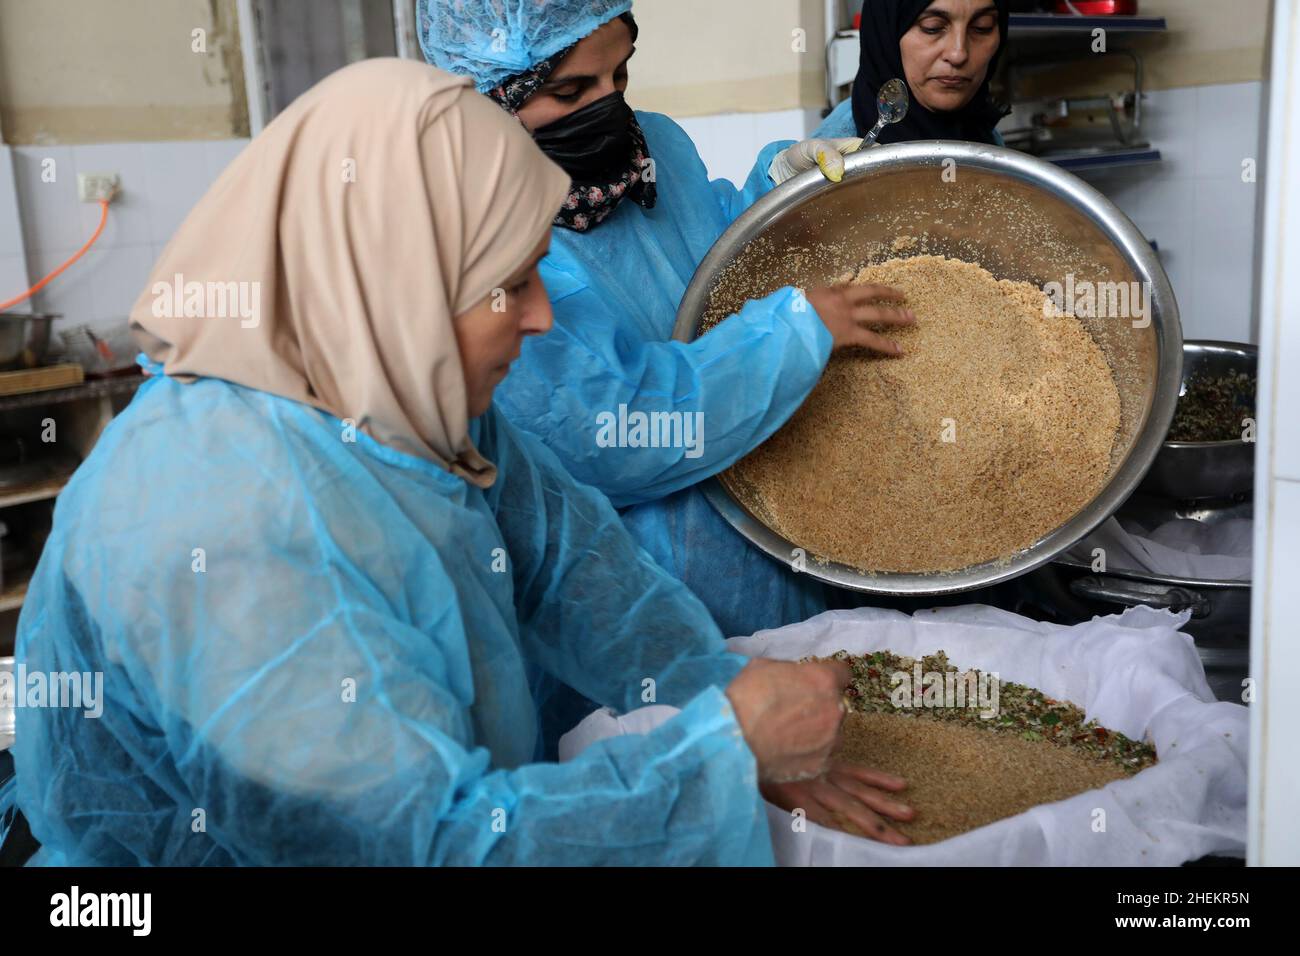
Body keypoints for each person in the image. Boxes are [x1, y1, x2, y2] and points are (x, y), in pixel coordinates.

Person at [0, 60, 913, 866]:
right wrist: (718, 761)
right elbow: (418, 845)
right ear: (397, 285)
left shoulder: (397, 395)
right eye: (508, 286)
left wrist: (724, 694)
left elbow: (568, 567)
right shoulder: (230, 525)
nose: (542, 318)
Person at [418, 1, 917, 641]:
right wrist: (793, 336)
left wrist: (775, 190)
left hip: (761, 534)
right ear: (484, 96)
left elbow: (710, 260)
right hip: (633, 591)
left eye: (620, 76)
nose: (608, 106)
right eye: (571, 90)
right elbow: (611, 432)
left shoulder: (648, 150)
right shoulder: (474, 238)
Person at [814, 0, 1010, 145]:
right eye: (932, 28)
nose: (958, 54)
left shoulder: (985, 135)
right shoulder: (840, 142)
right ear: (887, 34)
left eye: (982, 27)